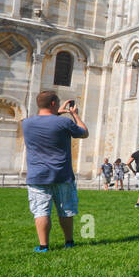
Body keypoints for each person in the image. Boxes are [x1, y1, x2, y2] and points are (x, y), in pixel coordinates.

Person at [21, 90, 89, 252]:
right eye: (57, 103)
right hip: (62, 174)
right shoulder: (64, 123)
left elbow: (46, 121)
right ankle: (69, 242)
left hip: (38, 175)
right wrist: (74, 115)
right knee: (65, 210)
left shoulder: (26, 123)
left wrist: (56, 113)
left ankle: (44, 246)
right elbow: (84, 133)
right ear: (53, 104)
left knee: (41, 211)